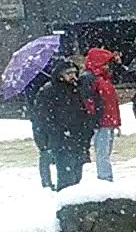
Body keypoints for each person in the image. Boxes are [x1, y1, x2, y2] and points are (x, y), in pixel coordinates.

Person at [34, 61, 95, 190]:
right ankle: (65, 205)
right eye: (69, 73)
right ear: (60, 75)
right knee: (66, 177)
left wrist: (87, 131)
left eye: (74, 72)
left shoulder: (76, 89)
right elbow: (42, 119)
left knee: (77, 176)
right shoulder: (49, 91)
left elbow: (83, 112)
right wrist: (47, 140)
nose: (73, 76)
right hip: (61, 140)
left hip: (78, 139)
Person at [84, 48, 122, 181]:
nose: (107, 66)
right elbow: (90, 101)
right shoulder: (92, 79)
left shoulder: (103, 79)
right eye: (105, 63)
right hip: (102, 121)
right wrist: (95, 119)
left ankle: (106, 177)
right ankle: (105, 178)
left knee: (105, 152)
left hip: (107, 120)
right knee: (102, 152)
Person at [25, 70, 55, 189]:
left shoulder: (30, 84)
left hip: (39, 121)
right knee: (46, 152)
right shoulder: (44, 85)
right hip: (43, 121)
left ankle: (46, 181)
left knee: (45, 152)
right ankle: (47, 182)